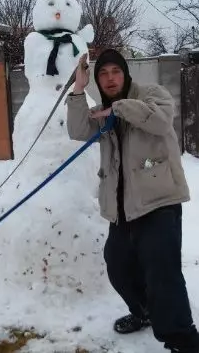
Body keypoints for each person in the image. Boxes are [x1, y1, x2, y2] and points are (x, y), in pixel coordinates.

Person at [66, 48, 199, 353]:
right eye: (103, 74)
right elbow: (77, 130)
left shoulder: (152, 94)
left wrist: (120, 109)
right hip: (121, 207)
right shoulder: (102, 110)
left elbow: (161, 122)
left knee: (161, 271)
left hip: (159, 201)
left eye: (115, 72)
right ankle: (145, 312)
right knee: (118, 266)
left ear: (125, 74)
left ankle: (182, 338)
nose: (110, 79)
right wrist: (78, 87)